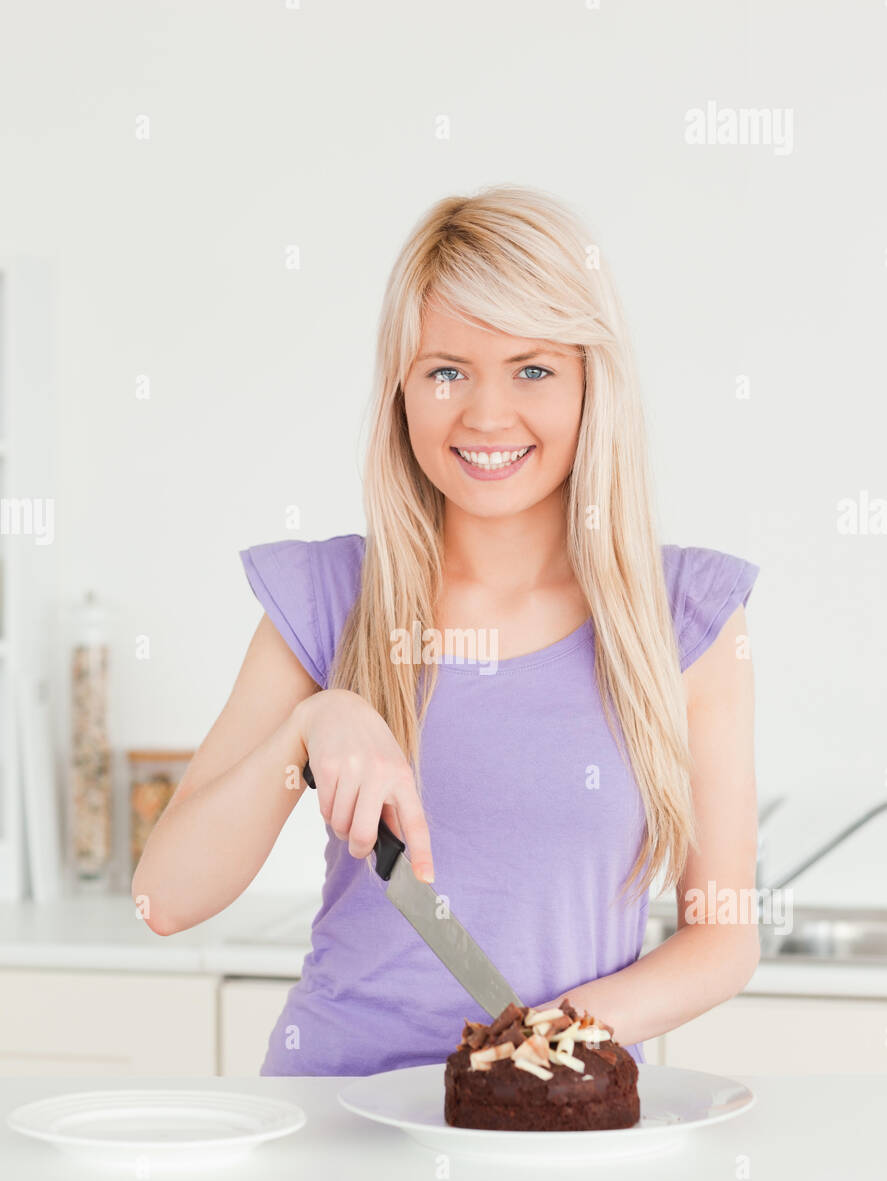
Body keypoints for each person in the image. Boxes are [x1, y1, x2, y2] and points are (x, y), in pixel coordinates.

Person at [133, 184, 761, 1077]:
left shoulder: (688, 617)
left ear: (592, 383)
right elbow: (163, 899)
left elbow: (723, 938)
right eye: (445, 371)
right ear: (401, 391)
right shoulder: (326, 599)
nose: (486, 415)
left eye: (532, 368)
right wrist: (309, 728)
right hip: (337, 1124)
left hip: (556, 1128)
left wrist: (542, 1042)